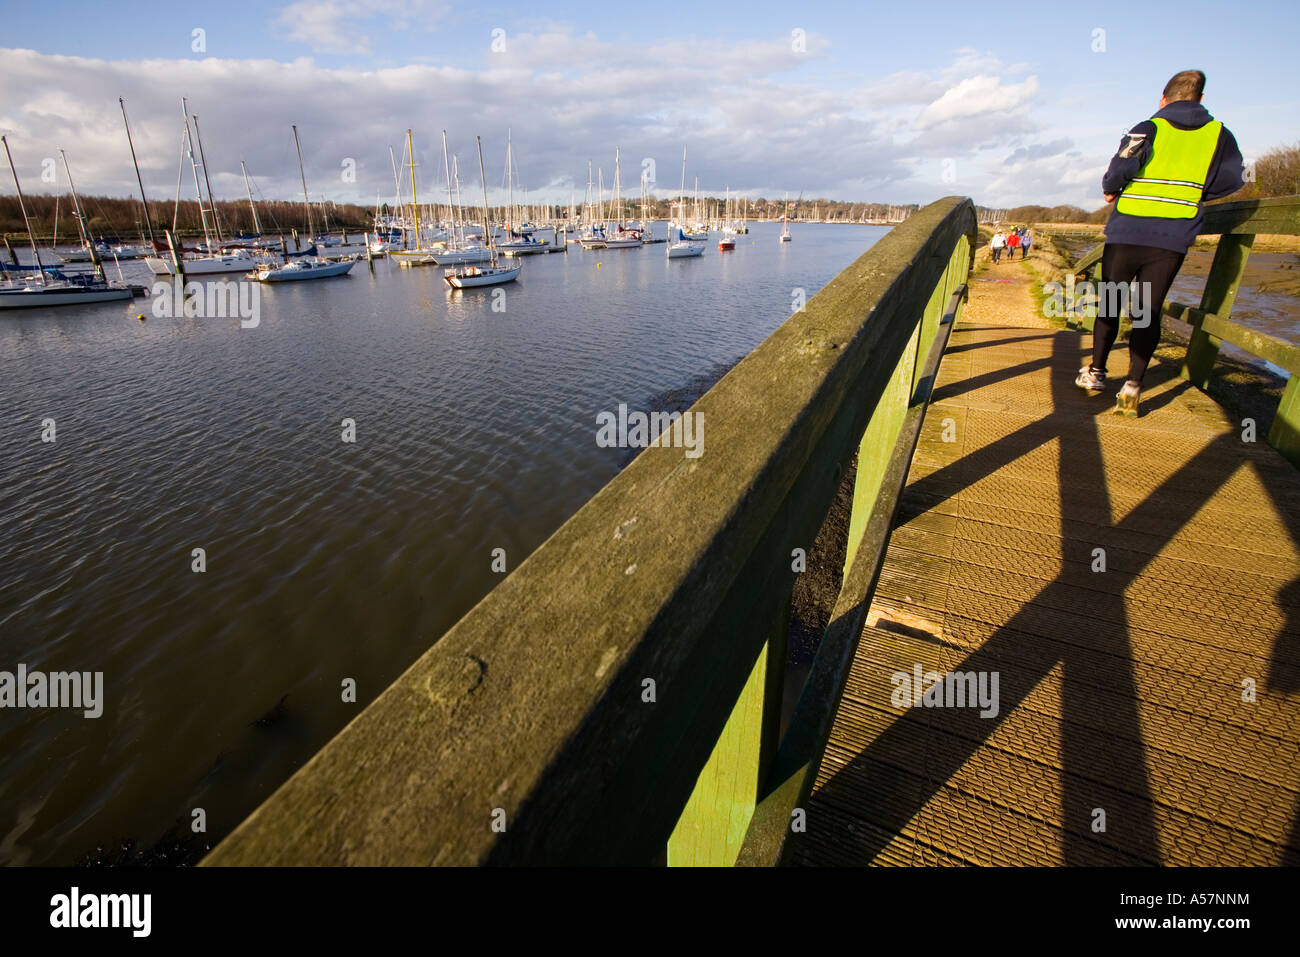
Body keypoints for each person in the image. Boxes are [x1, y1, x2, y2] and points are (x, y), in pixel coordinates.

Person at [1076, 69, 1244, 415]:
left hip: (1128, 231)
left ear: (1163, 99)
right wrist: (1197, 192)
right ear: (1200, 99)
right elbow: (1234, 179)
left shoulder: (1147, 127)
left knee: (1110, 301)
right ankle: (1134, 385)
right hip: (1172, 236)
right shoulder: (1219, 135)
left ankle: (1095, 373)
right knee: (1147, 310)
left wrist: (1110, 187)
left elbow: (1120, 167)